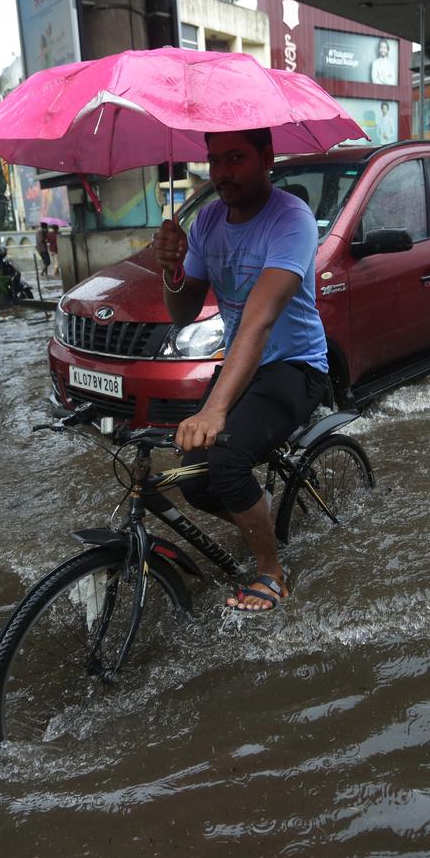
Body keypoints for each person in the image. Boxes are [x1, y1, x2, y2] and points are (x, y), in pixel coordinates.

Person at [150, 128, 328, 613]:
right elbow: (183, 311)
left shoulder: (292, 219)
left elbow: (258, 321)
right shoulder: (208, 220)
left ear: (267, 157)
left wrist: (214, 410)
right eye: (214, 160)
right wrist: (171, 269)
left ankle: (272, 572)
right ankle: (263, 523)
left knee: (226, 460)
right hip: (243, 365)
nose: (221, 173)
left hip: (295, 366)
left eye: (235, 159)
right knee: (192, 477)